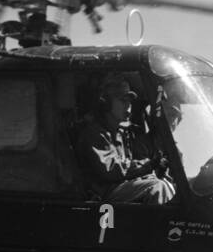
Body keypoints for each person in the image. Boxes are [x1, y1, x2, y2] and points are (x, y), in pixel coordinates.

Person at [75, 74, 176, 204]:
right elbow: (111, 169)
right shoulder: (94, 133)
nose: (128, 106)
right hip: (104, 195)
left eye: (129, 101)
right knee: (157, 187)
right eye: (123, 100)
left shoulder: (123, 133)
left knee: (166, 184)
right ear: (106, 103)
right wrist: (148, 164)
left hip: (122, 188)